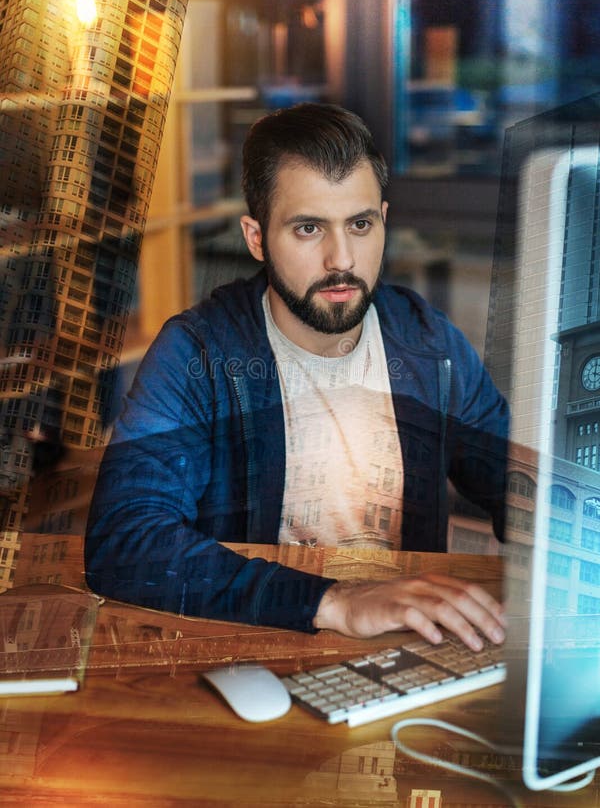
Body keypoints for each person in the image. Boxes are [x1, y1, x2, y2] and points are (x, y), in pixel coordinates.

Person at [85, 103, 508, 651]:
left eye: (360, 225)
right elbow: (125, 541)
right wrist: (335, 603)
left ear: (382, 218)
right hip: (259, 642)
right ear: (256, 238)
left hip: (405, 645)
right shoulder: (199, 352)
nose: (342, 258)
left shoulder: (428, 343)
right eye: (308, 228)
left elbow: (518, 488)